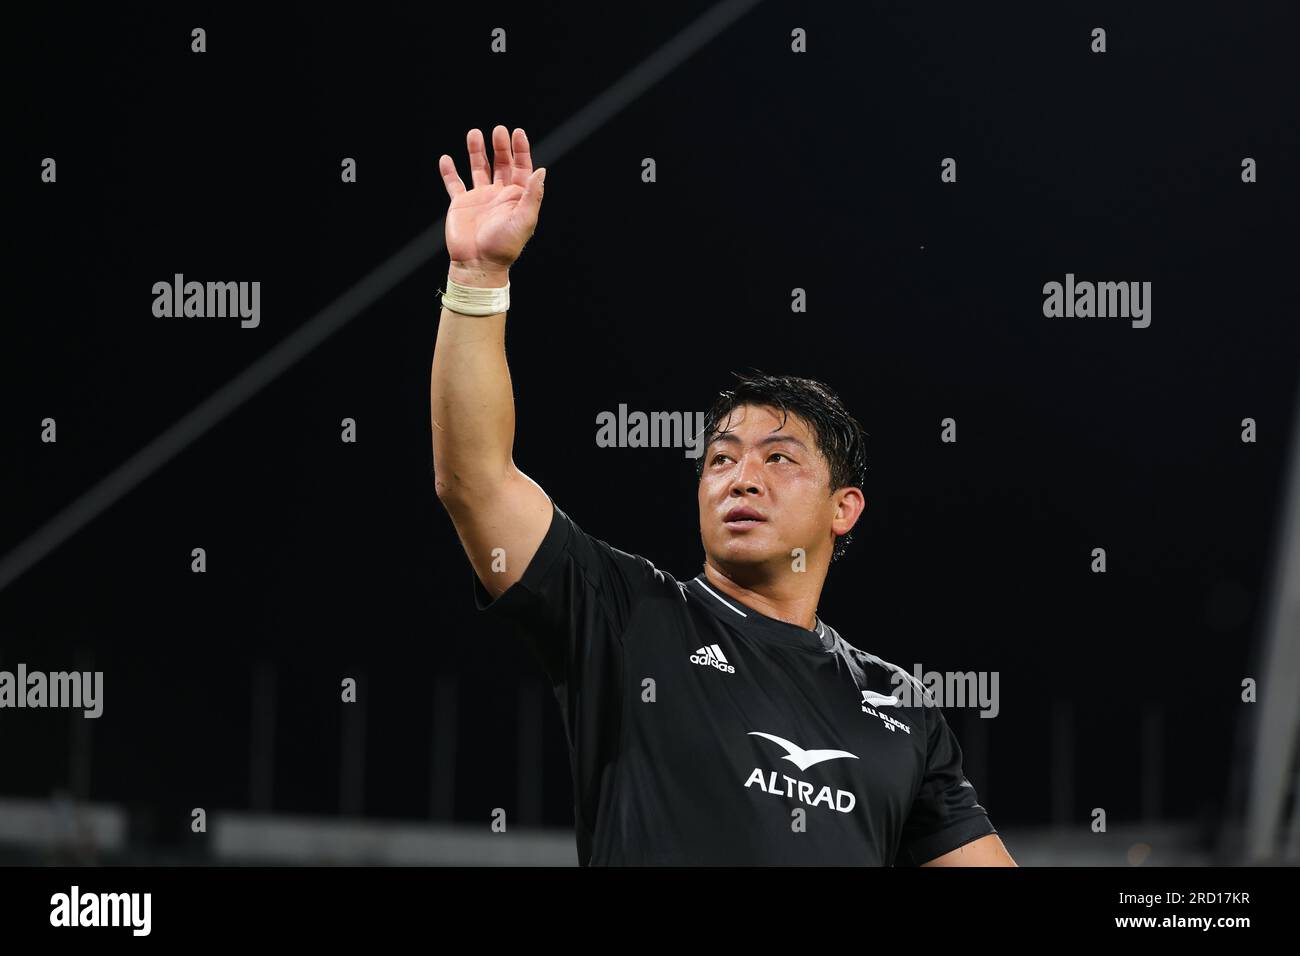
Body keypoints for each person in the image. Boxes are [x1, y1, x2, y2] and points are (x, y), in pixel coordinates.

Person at [431, 124, 1016, 866]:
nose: (741, 477)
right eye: (720, 460)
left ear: (845, 509)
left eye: (779, 458)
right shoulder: (628, 615)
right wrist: (477, 280)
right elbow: (474, 478)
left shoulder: (899, 705)